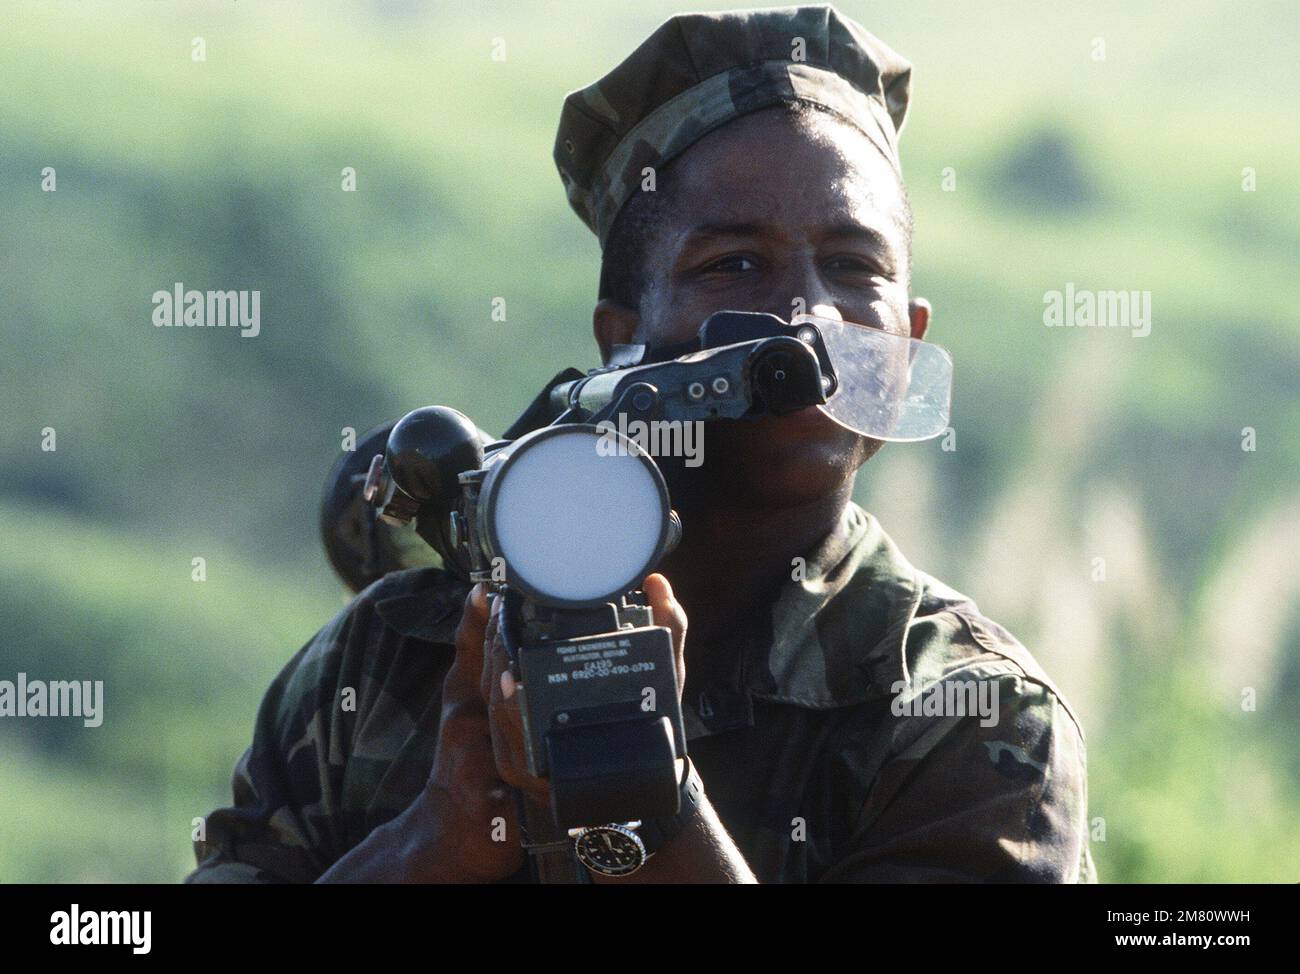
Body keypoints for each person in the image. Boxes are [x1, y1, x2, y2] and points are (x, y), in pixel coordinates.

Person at [187, 5, 1095, 884]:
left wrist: (651, 814)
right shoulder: (398, 653)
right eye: (732, 264)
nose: (808, 319)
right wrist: (436, 839)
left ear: (908, 336)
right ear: (621, 336)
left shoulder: (970, 717)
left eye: (855, 267)